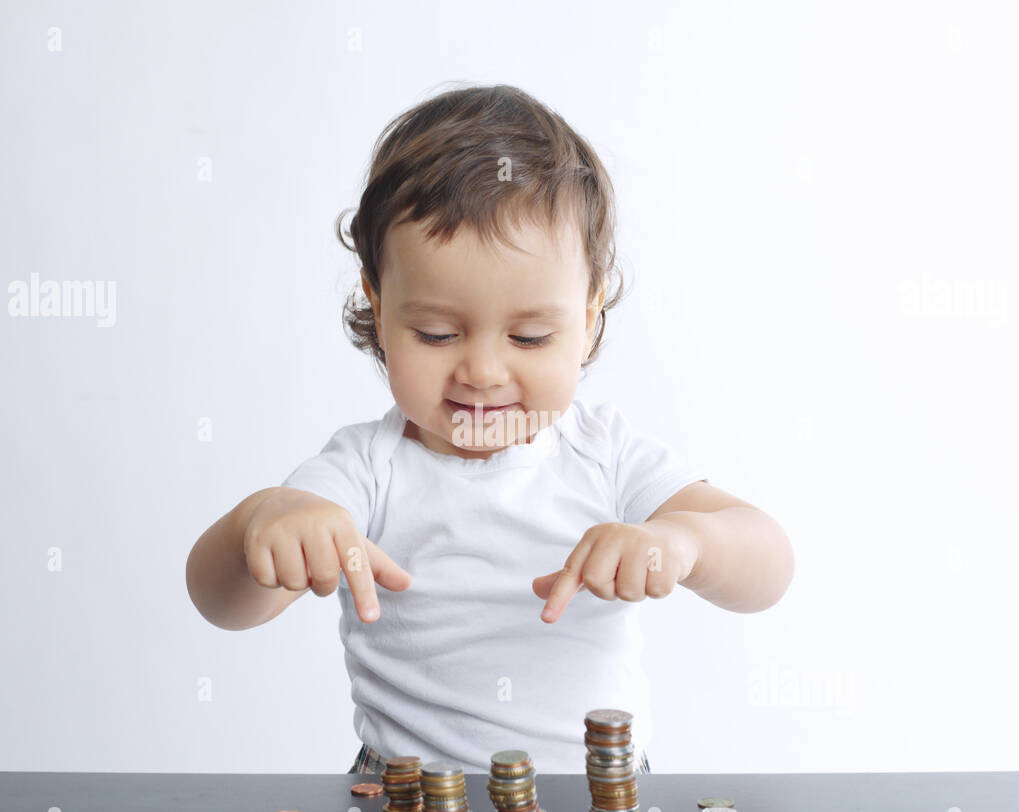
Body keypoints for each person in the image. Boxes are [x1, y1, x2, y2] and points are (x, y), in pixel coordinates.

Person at [186, 83, 794, 775]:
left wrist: (684, 541)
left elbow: (769, 563)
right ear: (378, 308)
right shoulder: (365, 468)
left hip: (598, 801)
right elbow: (221, 602)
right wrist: (260, 526)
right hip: (406, 807)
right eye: (437, 332)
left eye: (530, 336)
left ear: (590, 315)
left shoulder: (605, 454)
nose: (481, 370)